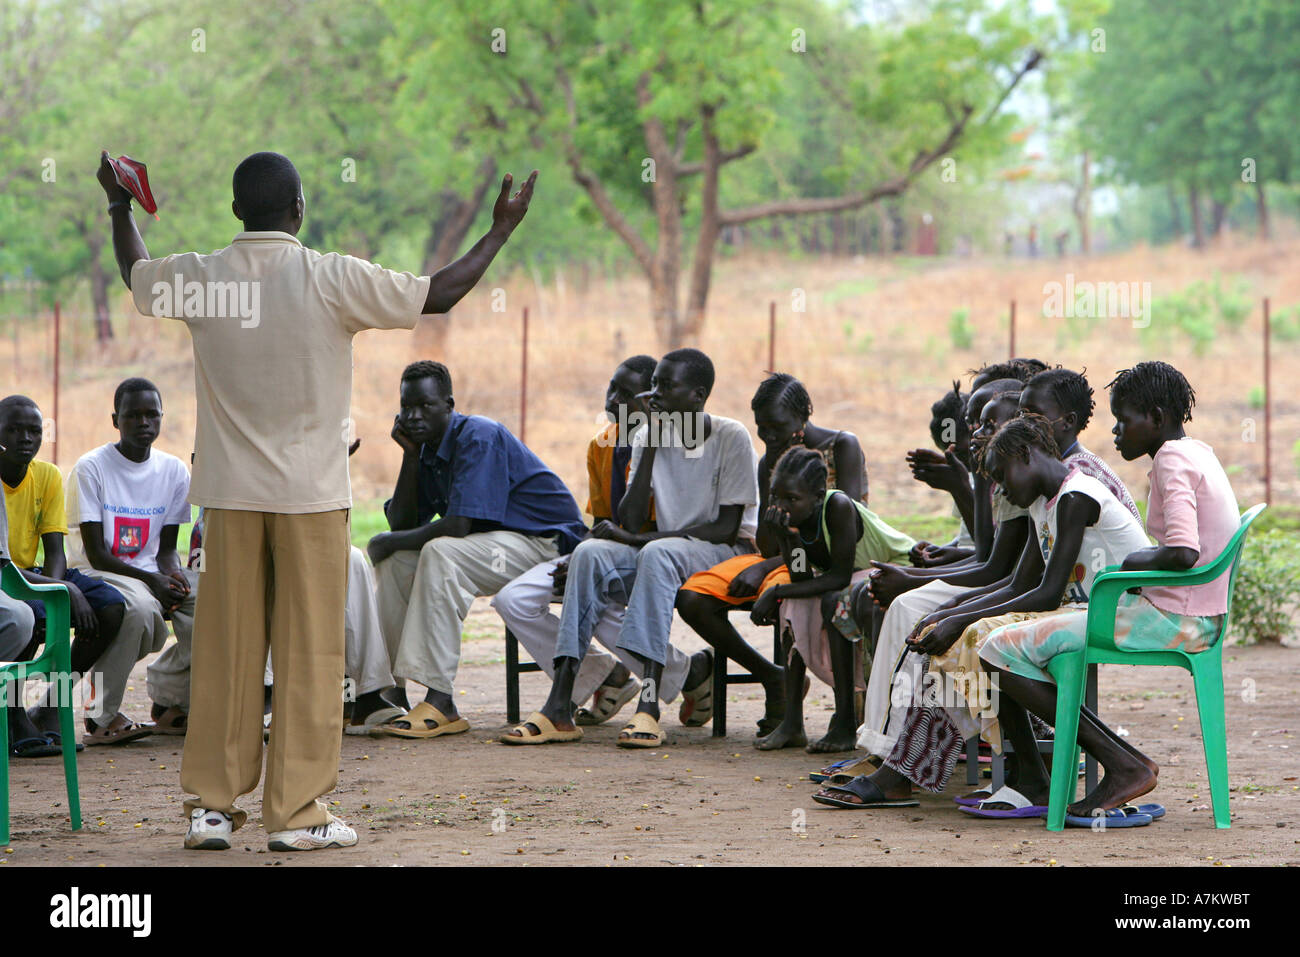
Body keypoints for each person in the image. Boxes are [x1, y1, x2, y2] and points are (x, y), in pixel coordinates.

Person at [101, 148, 536, 851]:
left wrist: (120, 205)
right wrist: (500, 231)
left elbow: (133, 272)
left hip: (228, 500)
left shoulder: (202, 278)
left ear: (237, 210)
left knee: (224, 651)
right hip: (310, 497)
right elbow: (440, 292)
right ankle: (299, 814)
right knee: (308, 654)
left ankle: (211, 809)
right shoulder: (332, 277)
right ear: (298, 210)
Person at [812, 413, 1148, 810]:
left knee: (984, 642)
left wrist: (961, 619)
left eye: (1003, 478)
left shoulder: (1076, 496)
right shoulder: (1047, 501)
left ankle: (1122, 762)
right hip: (1086, 610)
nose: (1002, 490)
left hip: (1126, 613)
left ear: (1026, 454)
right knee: (974, 642)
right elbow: (1019, 584)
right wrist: (952, 609)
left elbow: (1046, 593)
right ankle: (1030, 774)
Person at [973, 361, 1240, 821]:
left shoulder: (1172, 460)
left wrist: (1131, 564)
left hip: (1173, 620)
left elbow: (1182, 553)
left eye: (1123, 419)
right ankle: (1116, 763)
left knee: (996, 651)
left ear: (1155, 417)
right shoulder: (1196, 451)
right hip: (1191, 611)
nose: (1115, 432)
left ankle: (1123, 765)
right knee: (1002, 646)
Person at [501, 348, 758, 748]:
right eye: (654, 385)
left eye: (666, 386)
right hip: (668, 554)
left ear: (698, 395)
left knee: (657, 553)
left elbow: (725, 529)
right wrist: (653, 443)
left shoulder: (730, 435)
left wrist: (640, 541)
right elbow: (633, 518)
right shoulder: (644, 436)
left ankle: (650, 706)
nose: (654, 395)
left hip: (725, 556)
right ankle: (559, 706)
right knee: (588, 554)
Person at [369, 361, 589, 740]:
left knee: (440, 552)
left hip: (545, 543)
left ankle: (441, 702)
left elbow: (458, 526)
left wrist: (386, 540)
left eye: (425, 406)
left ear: (449, 404)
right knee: (398, 560)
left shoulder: (477, 436)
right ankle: (391, 693)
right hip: (497, 545)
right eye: (407, 407)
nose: (414, 416)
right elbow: (403, 526)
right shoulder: (425, 449)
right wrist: (408, 455)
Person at [675, 372, 868, 736]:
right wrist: (773, 477)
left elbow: (848, 523)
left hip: (836, 557)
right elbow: (767, 542)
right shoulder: (770, 462)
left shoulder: (841, 445)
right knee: (693, 596)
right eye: (762, 428)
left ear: (803, 416)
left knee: (786, 593)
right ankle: (771, 676)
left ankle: (789, 713)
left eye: (778, 426)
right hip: (788, 555)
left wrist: (768, 563)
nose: (769, 436)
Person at [491, 356, 659, 728]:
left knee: (597, 610)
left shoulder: (668, 446)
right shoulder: (601, 446)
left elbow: (666, 528)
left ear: (650, 400)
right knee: (512, 599)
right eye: (611, 387)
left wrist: (593, 558)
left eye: (626, 393)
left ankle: (690, 675)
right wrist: (577, 558)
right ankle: (606, 676)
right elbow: (599, 520)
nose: (612, 398)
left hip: (649, 555)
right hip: (601, 553)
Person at [746, 447, 911, 753]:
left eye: (792, 499)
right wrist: (787, 538)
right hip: (852, 576)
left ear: (818, 494)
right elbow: (802, 580)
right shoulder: (794, 518)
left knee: (834, 600)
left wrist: (775, 590)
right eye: (775, 497)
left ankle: (846, 721)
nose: (781, 506)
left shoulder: (837, 506)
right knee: (794, 605)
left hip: (895, 570)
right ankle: (792, 721)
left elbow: (837, 577)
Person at [65, 378, 197, 740]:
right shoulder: (91, 467)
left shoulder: (173, 471)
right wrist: (153, 581)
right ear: (115, 420)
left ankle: (175, 703)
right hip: (98, 570)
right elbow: (96, 552)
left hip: (147, 572)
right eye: (133, 415)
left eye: (151, 415)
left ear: (161, 418)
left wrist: (172, 575)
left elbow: (167, 548)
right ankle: (99, 716)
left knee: (211, 604)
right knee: (140, 611)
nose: (143, 423)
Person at [1, 395, 129, 755]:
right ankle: (13, 714)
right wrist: (60, 592)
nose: (25, 437)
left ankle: (53, 703)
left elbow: (55, 553)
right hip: (4, 580)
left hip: (33, 574)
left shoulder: (47, 475)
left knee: (109, 606)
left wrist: (59, 588)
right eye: (13, 429)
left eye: (34, 430)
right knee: (29, 616)